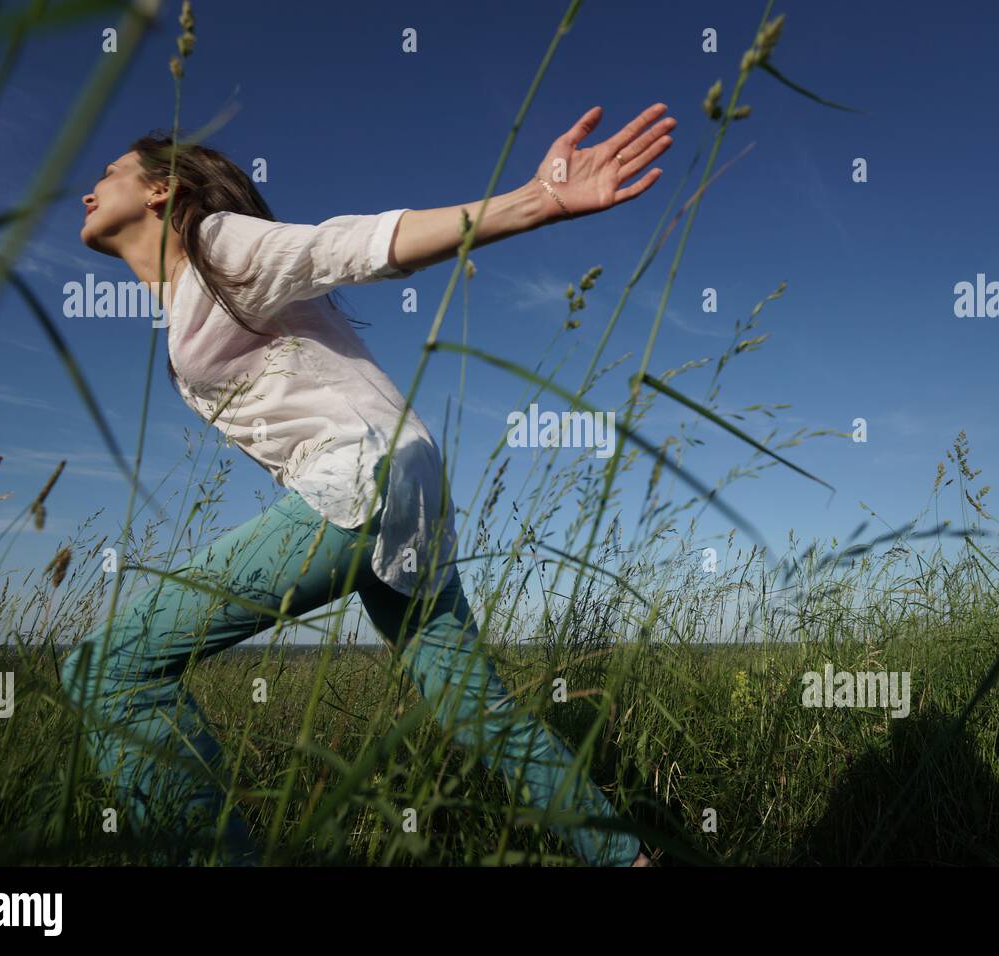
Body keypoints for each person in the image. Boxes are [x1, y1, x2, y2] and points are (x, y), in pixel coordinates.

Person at [59, 102, 676, 867]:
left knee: (107, 669)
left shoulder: (216, 245)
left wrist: (534, 202)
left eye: (108, 174)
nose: (89, 191)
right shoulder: (186, 296)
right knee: (474, 711)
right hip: (401, 488)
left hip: (358, 483)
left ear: (162, 191)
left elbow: (343, 244)